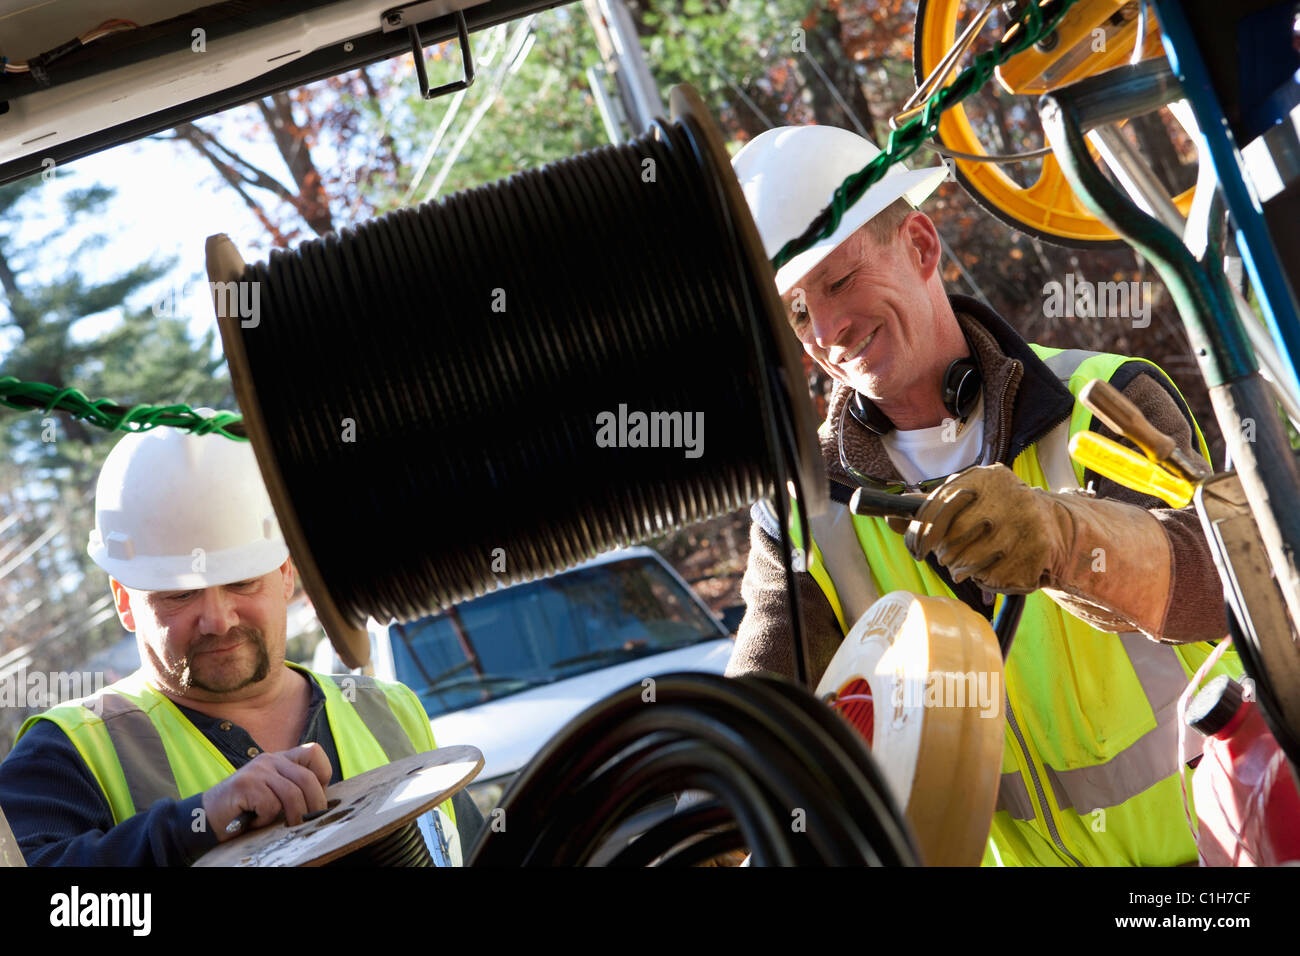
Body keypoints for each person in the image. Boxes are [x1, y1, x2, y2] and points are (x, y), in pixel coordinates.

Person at [727, 124, 1241, 866]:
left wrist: (1067, 538)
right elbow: (764, 716)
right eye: (798, 312)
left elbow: (1218, 585)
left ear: (922, 246)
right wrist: (708, 812)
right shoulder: (806, 512)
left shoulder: (1102, 402)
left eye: (838, 280)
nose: (829, 330)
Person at [0, 418, 482, 865]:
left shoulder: (389, 712)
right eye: (180, 594)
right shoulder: (69, 751)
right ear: (124, 601)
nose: (218, 620)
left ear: (286, 573)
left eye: (243, 583)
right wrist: (196, 824)